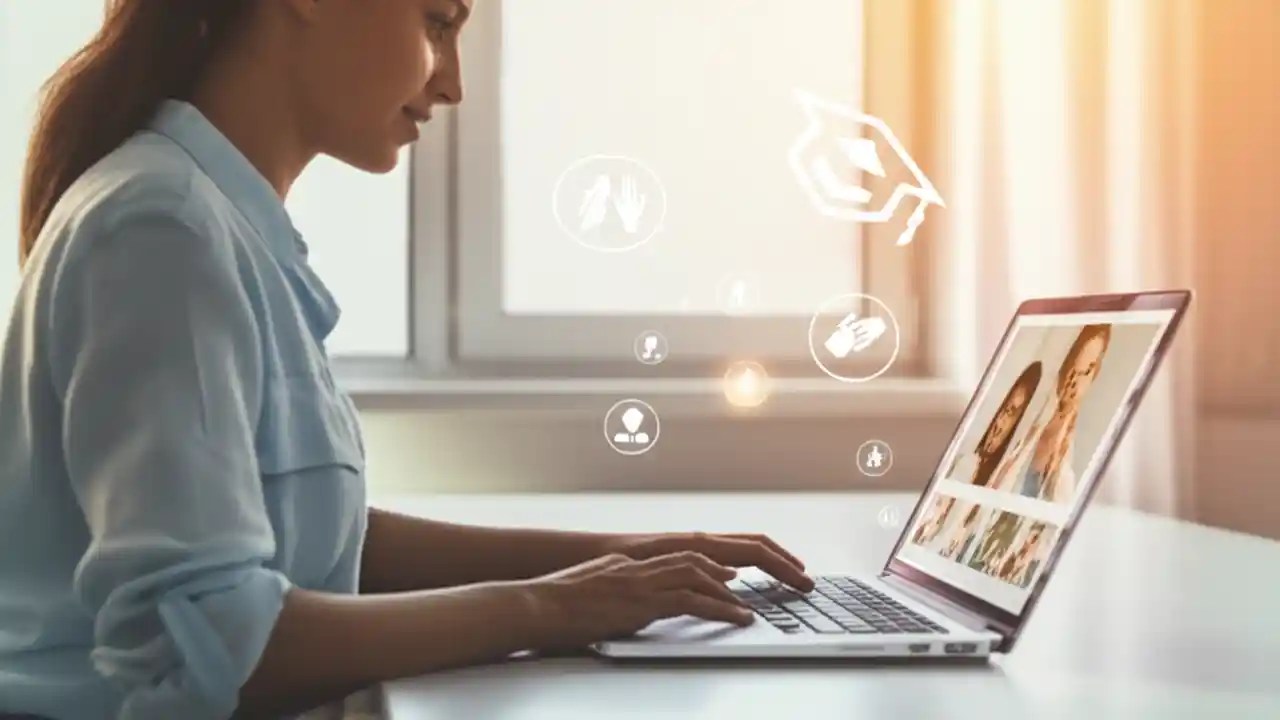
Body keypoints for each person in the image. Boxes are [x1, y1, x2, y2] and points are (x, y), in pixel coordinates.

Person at [0, 3, 814, 719]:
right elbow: (213, 642)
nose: (453, 82)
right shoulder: (161, 230)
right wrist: (549, 607)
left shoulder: (212, 223)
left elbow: (325, 544)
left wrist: (615, 559)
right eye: (438, 22)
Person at [992, 325, 1113, 503]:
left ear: (1095, 373)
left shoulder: (1076, 454)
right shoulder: (1031, 419)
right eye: (1074, 366)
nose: (1074, 381)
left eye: (1086, 370)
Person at [946, 362, 1043, 487]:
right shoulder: (963, 461)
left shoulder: (1005, 482)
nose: (999, 421)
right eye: (1002, 408)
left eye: (1010, 413)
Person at [993, 522, 1050, 588]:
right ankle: (1005, 577)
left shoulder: (1035, 536)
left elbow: (1027, 545)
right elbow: (1026, 545)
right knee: (1015, 567)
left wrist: (1022, 553)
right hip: (1023, 555)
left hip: (1024, 555)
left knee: (1015, 567)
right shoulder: (1035, 536)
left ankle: (1006, 577)